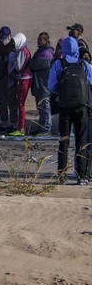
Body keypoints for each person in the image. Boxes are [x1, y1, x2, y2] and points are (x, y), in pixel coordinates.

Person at [48, 36, 92, 185]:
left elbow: (51, 86)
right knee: (82, 141)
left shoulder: (58, 64)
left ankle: (62, 176)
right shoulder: (84, 64)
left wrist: (62, 93)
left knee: (64, 141)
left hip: (65, 107)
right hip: (81, 107)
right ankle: (82, 176)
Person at [28, 32, 55, 134]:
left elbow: (33, 65)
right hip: (40, 85)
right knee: (41, 108)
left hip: (44, 86)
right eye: (37, 39)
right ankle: (42, 127)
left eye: (40, 40)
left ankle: (46, 128)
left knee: (45, 108)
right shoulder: (41, 51)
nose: (38, 41)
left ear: (46, 40)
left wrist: (31, 62)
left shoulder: (46, 53)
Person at [7, 32, 32, 136]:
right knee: (20, 103)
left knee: (21, 104)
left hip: (24, 79)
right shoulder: (22, 50)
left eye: (14, 42)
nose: (13, 44)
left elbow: (18, 66)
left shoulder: (22, 51)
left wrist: (12, 58)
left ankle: (21, 128)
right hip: (24, 79)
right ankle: (20, 127)